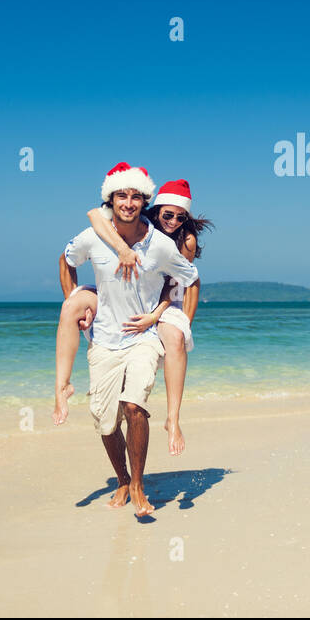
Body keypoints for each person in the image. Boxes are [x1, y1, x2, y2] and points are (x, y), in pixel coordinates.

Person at [55, 163, 199, 517]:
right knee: (105, 422)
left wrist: (180, 322)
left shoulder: (162, 245)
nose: (129, 203)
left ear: (144, 201)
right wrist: (75, 300)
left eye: (136, 196)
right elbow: (66, 259)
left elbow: (191, 278)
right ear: (112, 199)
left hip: (143, 336)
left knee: (135, 407)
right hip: (104, 338)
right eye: (122, 195)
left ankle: (137, 484)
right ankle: (121, 478)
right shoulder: (93, 236)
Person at [76, 179, 211, 456]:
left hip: (168, 300)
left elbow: (179, 283)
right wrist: (123, 250)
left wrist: (162, 318)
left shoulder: (184, 240)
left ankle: (173, 419)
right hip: (134, 300)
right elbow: (94, 215)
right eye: (168, 215)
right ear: (157, 209)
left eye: (180, 216)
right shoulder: (137, 224)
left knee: (174, 336)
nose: (173, 221)